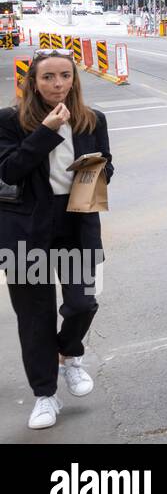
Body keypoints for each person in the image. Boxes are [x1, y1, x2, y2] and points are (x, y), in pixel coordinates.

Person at [1, 48, 113, 430]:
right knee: (35, 318)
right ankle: (45, 395)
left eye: (65, 76)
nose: (57, 84)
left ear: (74, 80)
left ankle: (69, 354)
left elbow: (107, 166)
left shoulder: (91, 120)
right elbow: (10, 170)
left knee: (82, 304)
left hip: (75, 222)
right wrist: (46, 132)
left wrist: (96, 169)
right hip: (25, 230)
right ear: (32, 81)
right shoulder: (11, 121)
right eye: (48, 77)